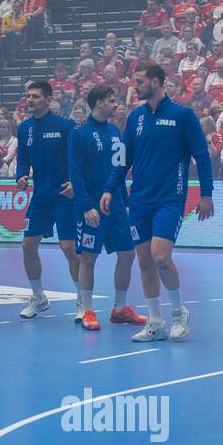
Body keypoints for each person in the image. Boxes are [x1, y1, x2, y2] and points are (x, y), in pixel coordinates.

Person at [104, 61, 215, 341]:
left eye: (139, 81)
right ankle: (155, 322)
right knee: (143, 260)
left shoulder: (182, 115)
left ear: (156, 82)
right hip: (139, 199)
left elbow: (201, 155)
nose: (135, 86)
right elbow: (122, 158)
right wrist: (109, 189)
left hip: (170, 198)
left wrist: (206, 194)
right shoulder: (136, 117)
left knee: (161, 257)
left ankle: (179, 311)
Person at [13, 80, 85, 319]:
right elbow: (23, 157)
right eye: (28, 96)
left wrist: (76, 183)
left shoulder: (66, 126)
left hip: (64, 196)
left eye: (35, 96)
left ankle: (83, 300)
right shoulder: (24, 128)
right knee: (27, 245)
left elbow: (79, 158)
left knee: (69, 249)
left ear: (48, 99)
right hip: (40, 197)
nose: (30, 100)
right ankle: (39, 298)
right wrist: (20, 175)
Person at [70, 86, 137, 331]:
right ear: (99, 103)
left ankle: (119, 308)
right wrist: (86, 206)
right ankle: (87, 310)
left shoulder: (114, 130)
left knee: (128, 254)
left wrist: (126, 203)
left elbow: (119, 170)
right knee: (88, 258)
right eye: (112, 101)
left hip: (117, 206)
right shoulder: (79, 133)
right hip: (91, 208)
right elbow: (75, 174)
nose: (116, 105)